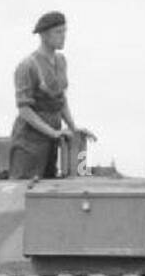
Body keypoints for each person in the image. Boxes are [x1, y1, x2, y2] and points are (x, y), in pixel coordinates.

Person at [8, 11, 89, 180]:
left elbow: (60, 99)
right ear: (44, 35)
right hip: (30, 140)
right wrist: (52, 132)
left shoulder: (60, 61)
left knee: (49, 188)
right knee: (27, 190)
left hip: (52, 137)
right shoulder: (28, 65)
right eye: (58, 32)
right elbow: (24, 109)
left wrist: (73, 129)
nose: (63, 37)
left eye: (64, 32)